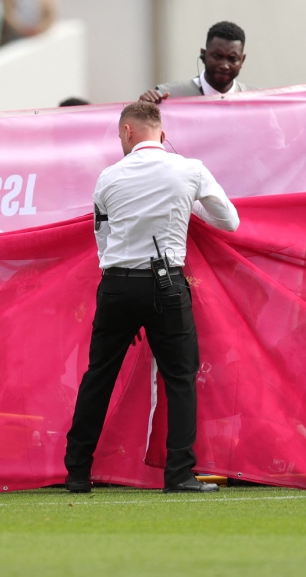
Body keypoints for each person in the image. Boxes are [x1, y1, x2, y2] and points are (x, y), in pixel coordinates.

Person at [64, 100, 239, 494]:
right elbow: (230, 221)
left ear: (127, 132)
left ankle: (77, 471)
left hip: (117, 284)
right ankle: (178, 473)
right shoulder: (190, 169)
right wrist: (187, 205)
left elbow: (102, 238)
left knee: (99, 376)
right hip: (167, 283)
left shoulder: (108, 177)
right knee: (180, 378)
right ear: (162, 132)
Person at [139, 21, 306, 108]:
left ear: (242, 60)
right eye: (217, 56)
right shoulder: (168, 96)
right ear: (203, 55)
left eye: (232, 58)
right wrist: (143, 107)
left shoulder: (259, 101)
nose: (224, 65)